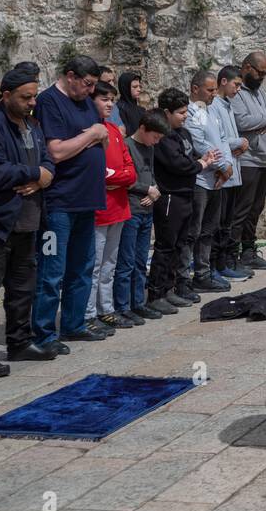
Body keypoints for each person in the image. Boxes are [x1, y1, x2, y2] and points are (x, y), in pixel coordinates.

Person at [0, 63, 56, 365]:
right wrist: (37, 174)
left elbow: (49, 161)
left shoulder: (33, 125)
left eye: (34, 97)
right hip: (0, 223)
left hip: (30, 221)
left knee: (23, 289)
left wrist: (44, 174)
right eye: (25, 97)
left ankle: (20, 342)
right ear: (6, 95)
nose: (32, 103)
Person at [33, 55, 108, 349]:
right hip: (59, 203)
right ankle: (43, 332)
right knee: (52, 271)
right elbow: (57, 152)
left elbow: (103, 139)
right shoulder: (49, 102)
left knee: (82, 267)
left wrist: (89, 137)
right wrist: (90, 134)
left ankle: (74, 323)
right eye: (87, 84)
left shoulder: (87, 103)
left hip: (86, 200)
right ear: (71, 76)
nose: (90, 92)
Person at [148, 88, 219, 312]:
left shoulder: (183, 134)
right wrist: (202, 165)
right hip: (170, 196)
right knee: (165, 246)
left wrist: (201, 160)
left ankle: (171, 288)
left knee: (180, 244)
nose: (185, 116)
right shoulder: (164, 136)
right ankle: (156, 293)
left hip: (186, 194)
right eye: (180, 113)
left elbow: (188, 158)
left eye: (186, 111)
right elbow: (178, 164)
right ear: (166, 112)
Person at [84, 80, 137, 330]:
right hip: (99, 208)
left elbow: (130, 171)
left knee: (109, 264)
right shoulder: (88, 131)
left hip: (118, 205)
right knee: (93, 265)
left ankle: (106, 308)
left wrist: (116, 177)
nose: (109, 104)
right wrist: (116, 177)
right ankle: (88, 313)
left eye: (111, 100)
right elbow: (96, 171)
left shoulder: (114, 131)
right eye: (104, 99)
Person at [230, 51, 266, 273]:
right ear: (247, 67)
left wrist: (264, 120)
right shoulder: (237, 91)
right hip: (248, 159)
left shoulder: (258, 92)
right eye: (259, 72)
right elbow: (242, 121)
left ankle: (249, 251)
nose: (262, 77)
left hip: (262, 161)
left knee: (256, 208)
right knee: (242, 208)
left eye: (265, 73)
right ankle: (231, 255)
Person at [114, 110, 168, 321]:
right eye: (154, 137)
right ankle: (122, 305)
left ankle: (138, 302)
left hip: (147, 208)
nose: (155, 143)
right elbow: (126, 178)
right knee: (126, 261)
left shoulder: (149, 148)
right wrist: (147, 189)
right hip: (132, 209)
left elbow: (151, 174)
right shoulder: (127, 145)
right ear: (143, 129)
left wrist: (154, 191)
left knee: (139, 260)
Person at [187, 70, 233, 294]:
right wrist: (222, 167)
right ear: (196, 89)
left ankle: (203, 272)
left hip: (217, 177)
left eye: (215, 89)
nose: (214, 93)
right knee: (194, 230)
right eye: (210, 90)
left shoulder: (212, 112)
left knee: (209, 229)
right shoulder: (189, 112)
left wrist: (226, 167)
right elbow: (199, 143)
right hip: (201, 178)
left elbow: (222, 140)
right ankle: (186, 275)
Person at [208, 66, 249, 283]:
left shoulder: (227, 105)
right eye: (236, 85)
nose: (238, 90)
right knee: (217, 222)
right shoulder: (214, 106)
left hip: (233, 169)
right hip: (222, 172)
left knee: (227, 223)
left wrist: (240, 143)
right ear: (223, 81)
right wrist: (238, 142)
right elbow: (218, 139)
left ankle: (223, 263)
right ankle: (213, 265)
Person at [116, 70, 145, 135]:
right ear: (126, 88)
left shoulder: (140, 109)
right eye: (135, 87)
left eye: (139, 86)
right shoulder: (119, 109)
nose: (139, 90)